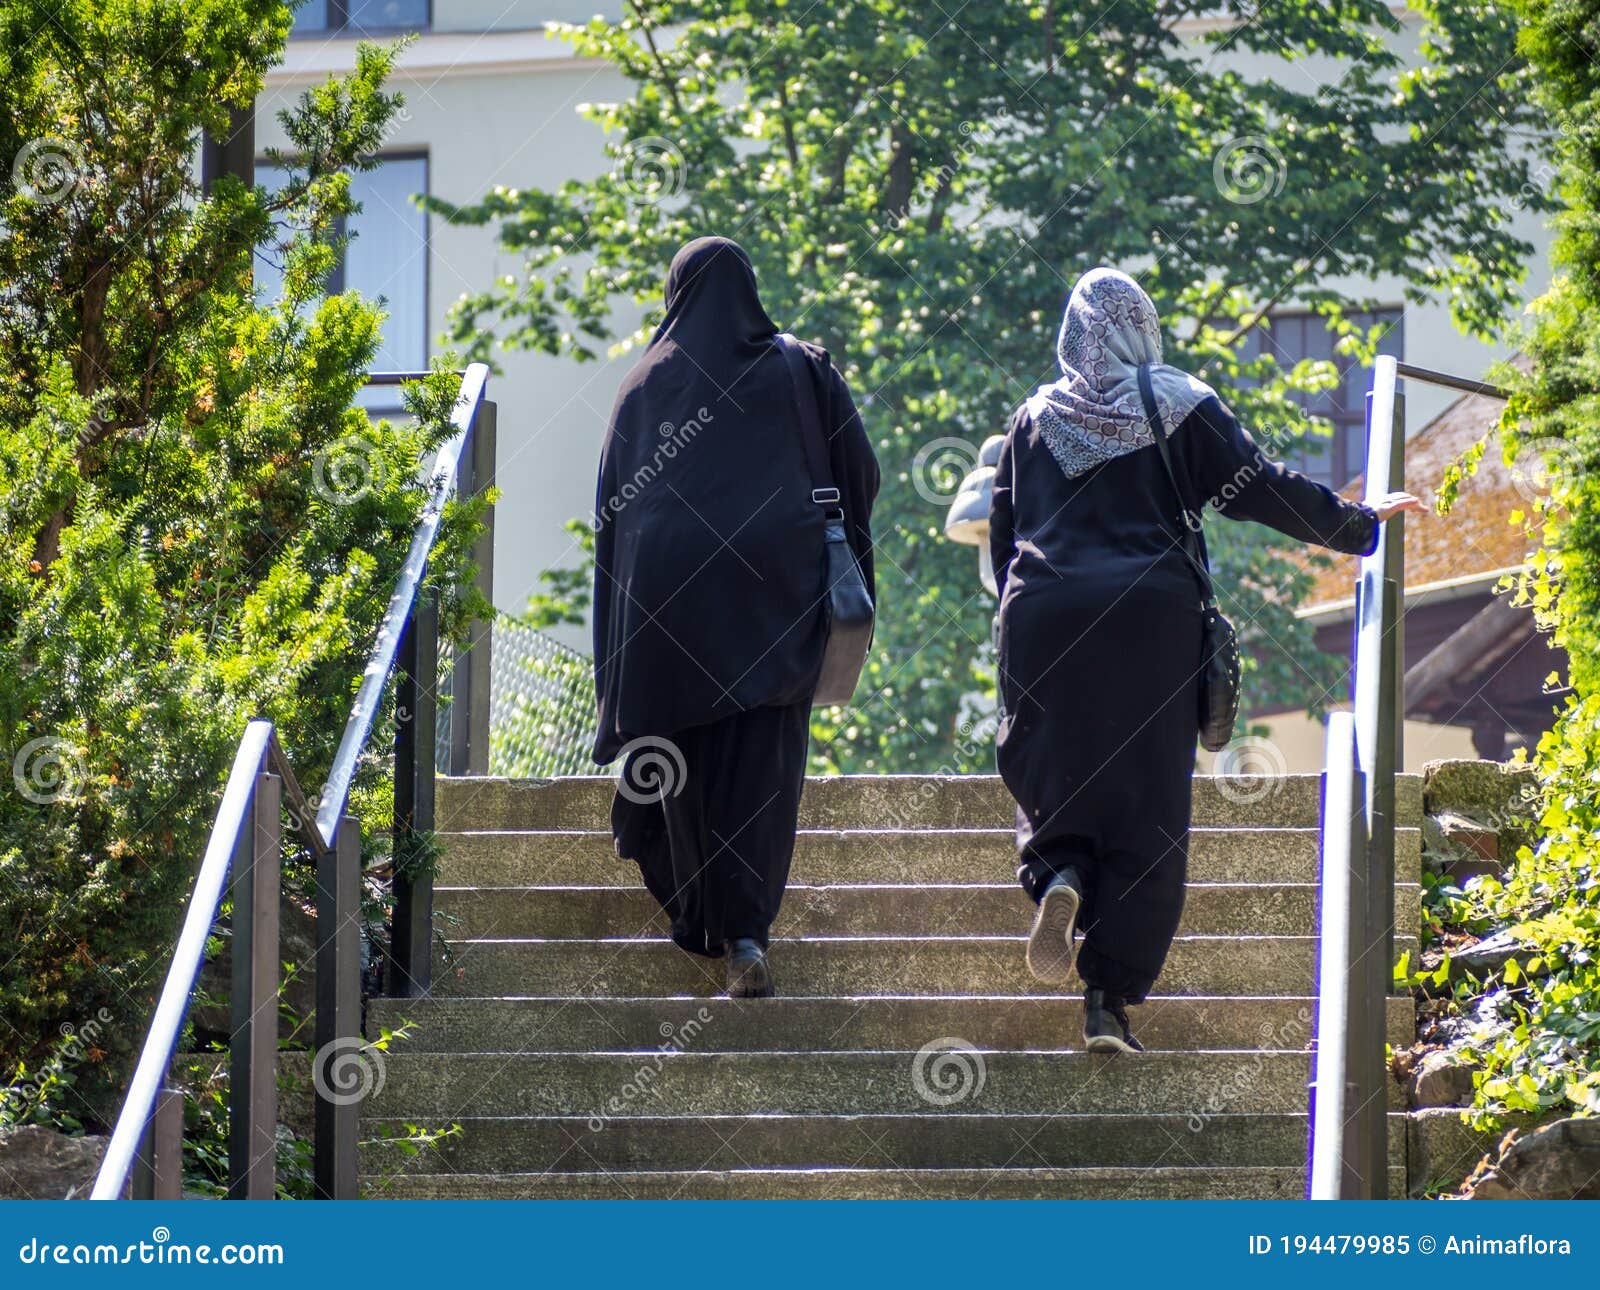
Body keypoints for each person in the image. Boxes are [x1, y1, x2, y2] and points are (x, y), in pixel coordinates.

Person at [989, 267, 1423, 1052]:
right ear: (1142, 328)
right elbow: (1259, 488)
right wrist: (1359, 525)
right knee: (1147, 802)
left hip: (1044, 618)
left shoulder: (1031, 417)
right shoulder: (1178, 402)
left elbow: (1004, 530)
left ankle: (1058, 875)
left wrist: (1015, 624)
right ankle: (1108, 999)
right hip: (1147, 622)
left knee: (1055, 774)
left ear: (1072, 334)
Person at [591, 236, 879, 998]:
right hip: (773, 596)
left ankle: (699, 917)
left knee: (680, 763)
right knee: (761, 761)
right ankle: (747, 932)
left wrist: (619, 657)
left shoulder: (643, 384)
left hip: (668, 609)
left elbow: (613, 517)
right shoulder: (800, 366)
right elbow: (861, 470)